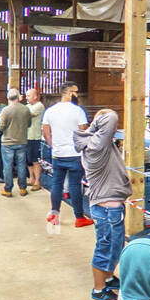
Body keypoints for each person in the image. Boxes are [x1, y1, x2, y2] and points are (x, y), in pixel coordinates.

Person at [79, 106, 148, 300]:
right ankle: (99, 289)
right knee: (104, 249)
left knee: (113, 248)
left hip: (111, 209)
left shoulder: (99, 145)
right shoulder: (95, 146)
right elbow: (110, 117)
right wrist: (99, 120)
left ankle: (107, 279)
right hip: (106, 210)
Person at [41, 85, 90, 228]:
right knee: (75, 186)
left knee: (56, 184)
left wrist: (52, 146)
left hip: (58, 154)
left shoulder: (50, 111)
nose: (77, 94)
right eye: (75, 92)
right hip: (75, 154)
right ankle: (79, 218)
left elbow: (46, 132)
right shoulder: (78, 111)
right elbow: (83, 131)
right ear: (69, 93)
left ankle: (54, 213)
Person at [0, 89, 36, 198]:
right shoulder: (26, 110)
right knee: (21, 165)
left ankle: (8, 189)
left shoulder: (6, 110)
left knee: (8, 166)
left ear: (8, 98)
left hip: (7, 143)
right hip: (22, 141)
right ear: (18, 97)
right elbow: (28, 124)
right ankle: (23, 188)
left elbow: (0, 127)